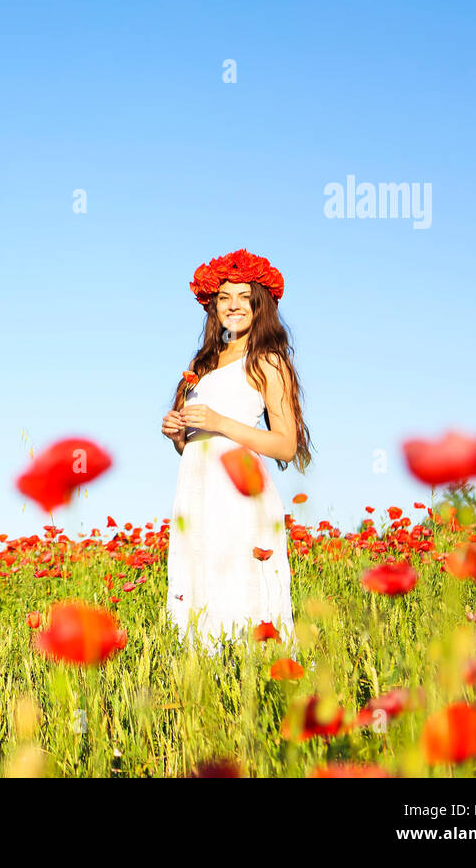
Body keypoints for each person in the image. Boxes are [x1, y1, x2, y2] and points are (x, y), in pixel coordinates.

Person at [160, 249, 312, 652]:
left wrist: (220, 422)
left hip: (241, 493)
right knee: (200, 590)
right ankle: (206, 696)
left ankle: (261, 691)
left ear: (259, 305)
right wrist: (178, 434)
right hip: (197, 494)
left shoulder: (267, 360)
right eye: (225, 297)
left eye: (245, 297)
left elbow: (285, 444)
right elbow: (195, 445)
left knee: (241, 592)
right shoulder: (203, 363)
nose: (234, 306)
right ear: (214, 306)